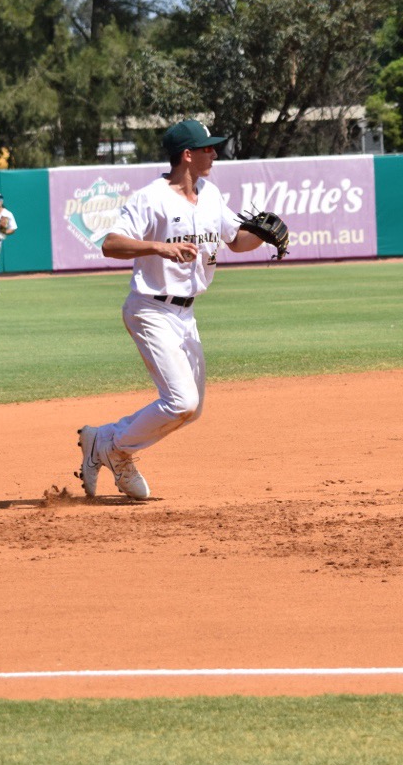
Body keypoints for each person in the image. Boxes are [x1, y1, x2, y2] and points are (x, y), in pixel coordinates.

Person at [74, 118, 269, 499]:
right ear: (187, 154)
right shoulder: (152, 197)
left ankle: (105, 442)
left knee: (190, 410)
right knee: (181, 401)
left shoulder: (210, 194)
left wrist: (263, 233)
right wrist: (159, 247)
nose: (214, 152)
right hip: (151, 308)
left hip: (186, 314)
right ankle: (113, 450)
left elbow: (237, 240)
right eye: (207, 147)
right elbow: (111, 244)